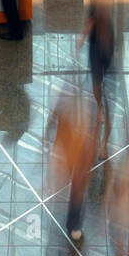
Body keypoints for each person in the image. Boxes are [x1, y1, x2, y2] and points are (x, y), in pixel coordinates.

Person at [47, 90, 97, 242]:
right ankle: (74, 223)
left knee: (77, 191)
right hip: (73, 159)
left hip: (77, 160)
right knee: (77, 191)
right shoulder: (70, 121)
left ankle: (74, 222)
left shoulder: (70, 120)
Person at [76, 0, 115, 158]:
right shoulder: (93, 5)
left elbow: (112, 27)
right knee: (96, 85)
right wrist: (83, 38)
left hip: (107, 49)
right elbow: (89, 22)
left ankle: (104, 145)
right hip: (95, 47)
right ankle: (99, 105)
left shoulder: (110, 5)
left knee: (108, 98)